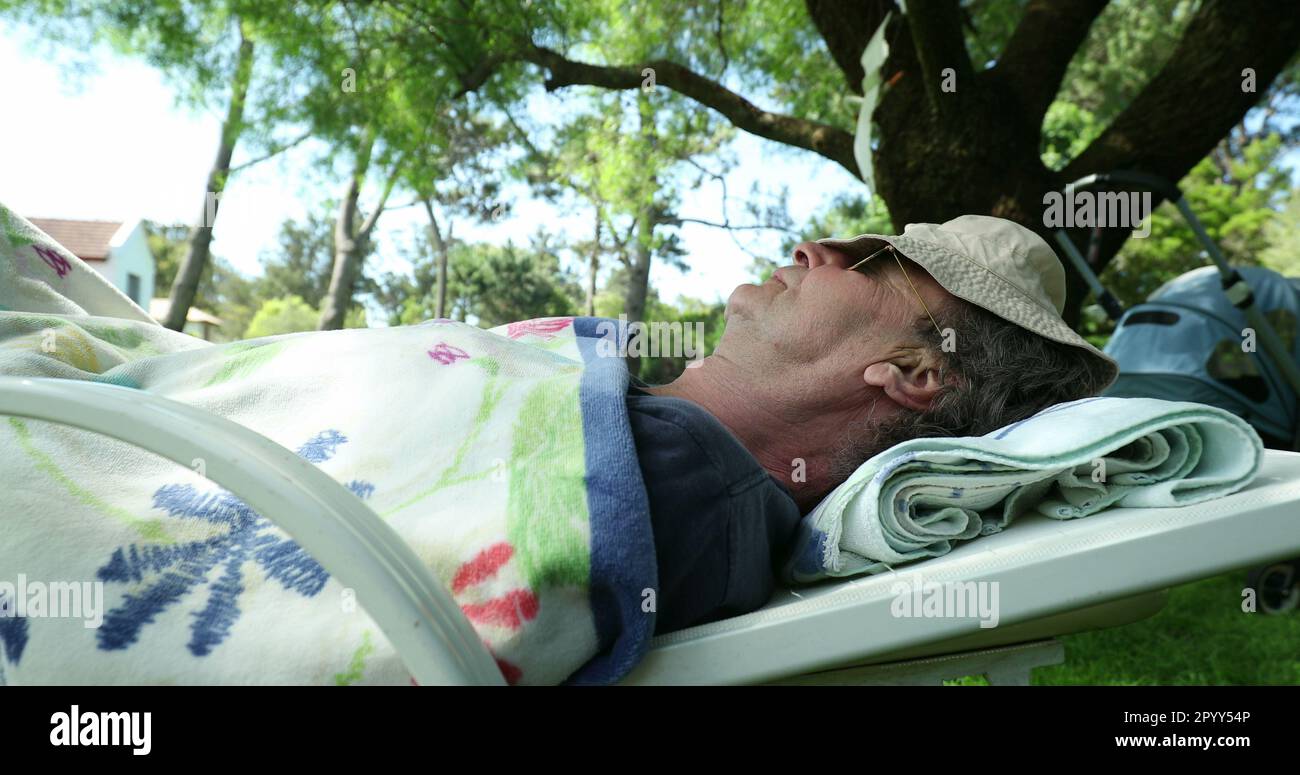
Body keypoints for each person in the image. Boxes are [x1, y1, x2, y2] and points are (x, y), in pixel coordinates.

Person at [631, 214, 1119, 634]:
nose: (807, 251)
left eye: (873, 267)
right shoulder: (641, 424)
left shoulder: (659, 487)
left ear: (917, 371)